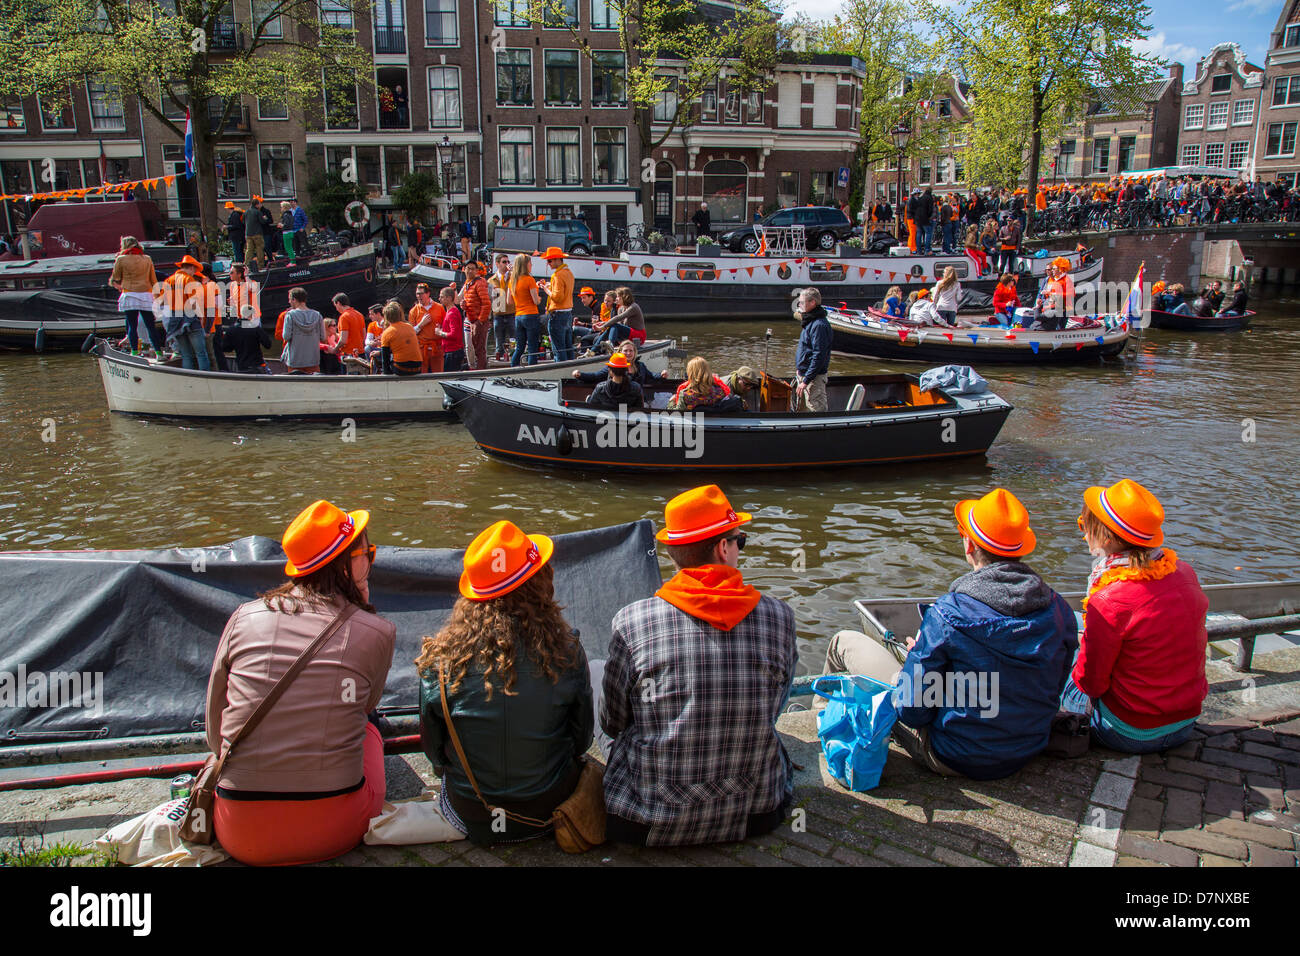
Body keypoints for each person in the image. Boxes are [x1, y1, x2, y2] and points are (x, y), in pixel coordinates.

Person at [823, 488, 1077, 780]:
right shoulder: (1058, 609)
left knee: (843, 642)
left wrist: (915, 662)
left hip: (954, 755)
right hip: (1026, 748)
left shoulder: (947, 614)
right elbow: (1053, 684)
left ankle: (826, 732)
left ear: (969, 545)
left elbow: (912, 711)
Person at [599, 484, 797, 845]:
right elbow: (777, 704)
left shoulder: (632, 622)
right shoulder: (779, 617)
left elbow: (613, 722)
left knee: (602, 675)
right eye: (741, 541)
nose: (739, 548)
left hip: (647, 817)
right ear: (724, 548)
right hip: (756, 811)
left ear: (673, 553)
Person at [205, 499, 395, 866]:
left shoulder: (244, 617)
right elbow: (366, 706)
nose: (371, 559)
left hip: (239, 831)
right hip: (334, 829)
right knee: (370, 728)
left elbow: (216, 733)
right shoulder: (378, 631)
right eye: (367, 552)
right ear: (346, 565)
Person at [416, 519, 591, 845]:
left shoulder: (441, 660)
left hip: (470, 811)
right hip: (549, 809)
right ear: (538, 581)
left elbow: (435, 753)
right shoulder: (568, 649)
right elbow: (581, 739)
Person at [1060, 479, 1208, 753]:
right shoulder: (1185, 573)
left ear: (1104, 538)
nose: (1083, 534)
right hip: (1185, 721)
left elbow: (1091, 683)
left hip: (1130, 731)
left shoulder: (1109, 598)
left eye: (1084, 525)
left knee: (1060, 649)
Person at [110, 235, 165, 357]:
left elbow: (117, 277)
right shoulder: (147, 258)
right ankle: (159, 352)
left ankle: (134, 352)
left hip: (130, 294)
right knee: (151, 326)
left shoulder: (121, 259)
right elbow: (153, 279)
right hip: (146, 295)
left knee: (132, 325)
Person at [156, 255, 210, 371]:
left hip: (175, 320)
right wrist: (201, 317)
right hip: (190, 319)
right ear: (191, 268)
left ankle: (189, 379)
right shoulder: (189, 280)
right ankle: (205, 378)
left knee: (186, 355)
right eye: (194, 270)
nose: (194, 273)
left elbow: (160, 301)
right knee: (201, 353)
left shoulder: (168, 281)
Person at [794, 287, 830, 412]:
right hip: (804, 375)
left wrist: (807, 380)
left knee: (816, 410)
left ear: (812, 302)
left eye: (802, 302)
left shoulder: (819, 325)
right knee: (803, 411)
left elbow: (819, 355)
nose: (799, 305)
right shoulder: (810, 322)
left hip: (813, 379)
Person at [571, 338, 665, 386]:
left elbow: (651, 375)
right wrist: (580, 375)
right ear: (620, 352)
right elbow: (596, 376)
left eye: (631, 351)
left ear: (634, 352)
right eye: (625, 351)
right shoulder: (614, 367)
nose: (628, 353)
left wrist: (661, 375)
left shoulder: (640, 366)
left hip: (637, 399)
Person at [541, 246, 575, 362]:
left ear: (557, 260)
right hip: (568, 314)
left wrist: (546, 290)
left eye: (549, 261)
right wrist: (550, 287)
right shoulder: (569, 273)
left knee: (558, 350)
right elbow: (564, 293)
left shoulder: (557, 275)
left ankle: (561, 374)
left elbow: (557, 297)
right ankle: (571, 372)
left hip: (557, 315)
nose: (548, 264)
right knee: (568, 347)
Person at [281, 287, 326, 374]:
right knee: (313, 385)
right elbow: (323, 337)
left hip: (295, 360)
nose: (289, 302)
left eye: (290, 299)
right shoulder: (318, 315)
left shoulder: (290, 315)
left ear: (294, 299)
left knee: (295, 385)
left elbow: (286, 337)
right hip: (313, 359)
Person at [509, 253, 542, 366]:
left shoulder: (512, 281)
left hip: (518, 316)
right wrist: (539, 296)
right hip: (530, 314)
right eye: (530, 263)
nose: (531, 265)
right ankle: (532, 372)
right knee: (532, 347)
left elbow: (509, 301)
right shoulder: (529, 279)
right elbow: (536, 301)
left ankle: (513, 370)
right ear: (525, 265)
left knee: (520, 347)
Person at [460, 260, 492, 370]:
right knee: (474, 347)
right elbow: (473, 301)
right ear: (464, 270)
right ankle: (476, 369)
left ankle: (479, 372)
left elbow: (486, 303)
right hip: (472, 319)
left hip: (477, 321)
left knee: (479, 348)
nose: (470, 271)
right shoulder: (467, 284)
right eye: (468, 268)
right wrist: (464, 305)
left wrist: (479, 321)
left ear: (477, 271)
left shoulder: (478, 283)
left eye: (472, 269)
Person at [409, 282, 445, 374]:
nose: (418, 296)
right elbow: (411, 333)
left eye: (421, 293)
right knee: (422, 377)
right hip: (421, 349)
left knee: (438, 376)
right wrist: (421, 324)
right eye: (417, 293)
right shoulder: (413, 311)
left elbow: (445, 326)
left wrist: (441, 331)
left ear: (428, 293)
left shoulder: (440, 308)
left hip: (437, 348)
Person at [380, 300, 423, 375]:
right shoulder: (410, 327)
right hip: (418, 367)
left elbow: (385, 359)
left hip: (401, 369)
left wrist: (386, 374)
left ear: (386, 317)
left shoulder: (387, 333)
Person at [488, 253, 515, 362]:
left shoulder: (512, 277)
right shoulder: (491, 280)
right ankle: (500, 360)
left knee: (514, 339)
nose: (507, 264)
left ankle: (514, 358)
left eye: (508, 262)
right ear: (497, 264)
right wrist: (489, 317)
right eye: (504, 262)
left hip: (512, 312)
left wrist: (513, 273)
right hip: (498, 315)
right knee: (499, 341)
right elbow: (490, 299)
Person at [436, 285, 466, 372]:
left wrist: (440, 333)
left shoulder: (452, 313)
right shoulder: (449, 312)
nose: (439, 299)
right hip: (450, 351)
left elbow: (454, 334)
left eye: (442, 297)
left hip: (453, 352)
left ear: (449, 298)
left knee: (451, 377)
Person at [244, 196, 270, 271]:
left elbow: (243, 222)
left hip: (248, 234)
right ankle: (260, 265)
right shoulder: (258, 212)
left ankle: (246, 265)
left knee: (249, 250)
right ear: (256, 205)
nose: (260, 205)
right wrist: (265, 218)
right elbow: (262, 222)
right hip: (257, 234)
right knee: (259, 249)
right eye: (259, 204)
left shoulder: (246, 212)